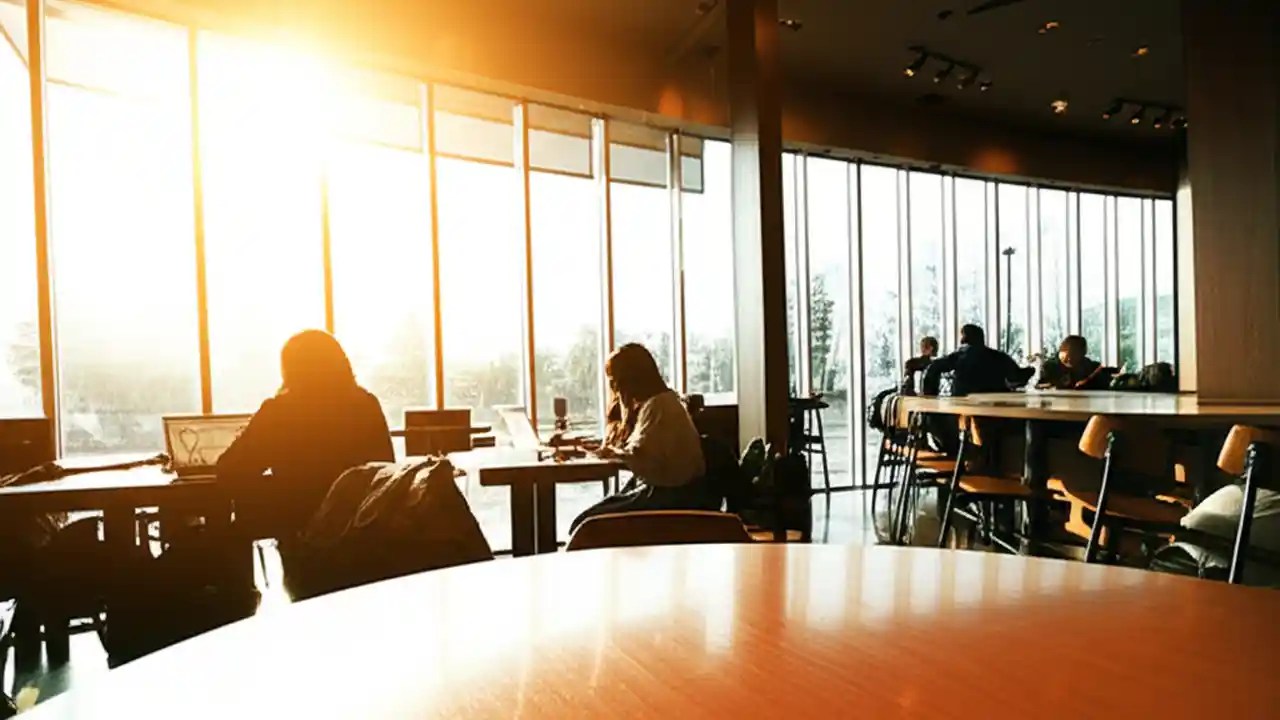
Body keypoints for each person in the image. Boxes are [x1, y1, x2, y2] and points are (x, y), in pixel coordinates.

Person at [217, 330, 394, 537]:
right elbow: (385, 471)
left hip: (301, 536)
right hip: (364, 535)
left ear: (290, 370)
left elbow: (229, 470)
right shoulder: (367, 405)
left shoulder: (280, 412)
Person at [570, 343, 710, 532]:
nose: (613, 386)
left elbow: (644, 459)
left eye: (615, 379)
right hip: (674, 494)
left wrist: (611, 453)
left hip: (667, 497)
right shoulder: (663, 403)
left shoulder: (658, 407)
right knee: (587, 520)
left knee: (585, 526)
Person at [922, 324, 1035, 397]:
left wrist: (931, 396)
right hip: (995, 406)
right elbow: (1017, 377)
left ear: (965, 339)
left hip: (963, 404)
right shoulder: (999, 357)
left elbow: (934, 367)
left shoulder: (959, 356)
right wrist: (1032, 370)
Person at [1037, 335, 1109, 390]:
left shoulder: (1089, 366)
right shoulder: (1048, 367)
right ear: (1062, 351)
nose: (1070, 360)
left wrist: (1089, 380)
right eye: (1068, 356)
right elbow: (1038, 387)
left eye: (1075, 357)